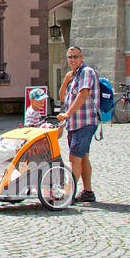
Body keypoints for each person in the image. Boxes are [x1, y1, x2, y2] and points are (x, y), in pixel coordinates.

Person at [57, 45, 99, 202]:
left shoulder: (86, 72)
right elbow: (62, 97)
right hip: (74, 123)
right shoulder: (73, 76)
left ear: (82, 58)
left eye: (76, 56)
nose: (73, 60)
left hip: (85, 121)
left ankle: (69, 193)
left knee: (74, 157)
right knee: (83, 157)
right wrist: (65, 80)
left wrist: (67, 114)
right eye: (70, 57)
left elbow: (83, 94)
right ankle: (88, 192)